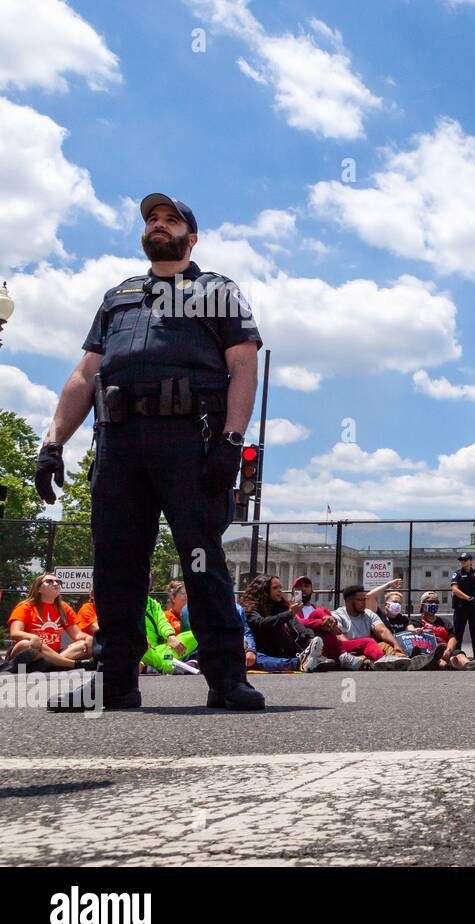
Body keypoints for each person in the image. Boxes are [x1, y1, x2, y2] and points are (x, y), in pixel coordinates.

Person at [39, 193, 264, 712]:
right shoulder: (119, 295)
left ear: (192, 236)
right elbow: (85, 374)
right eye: (152, 219)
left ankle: (227, 678)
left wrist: (231, 441)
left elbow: (243, 365)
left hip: (190, 439)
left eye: (171, 219)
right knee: (116, 565)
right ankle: (115, 681)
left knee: (201, 560)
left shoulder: (217, 291)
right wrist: (53, 443)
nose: (159, 225)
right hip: (118, 441)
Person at [4, 573, 93, 673]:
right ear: (38, 589)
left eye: (57, 582)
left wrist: (88, 638)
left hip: (55, 652)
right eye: (49, 581)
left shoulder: (64, 608)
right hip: (30, 650)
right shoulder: (25, 607)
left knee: (84, 645)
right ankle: (72, 664)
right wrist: (32, 637)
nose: (55, 584)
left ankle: (47, 664)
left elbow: (77, 635)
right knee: (26, 644)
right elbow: (15, 633)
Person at [333, 585, 413, 670]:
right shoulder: (337, 615)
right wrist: (357, 648)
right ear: (348, 601)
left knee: (384, 645)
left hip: (369, 648)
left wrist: (395, 644)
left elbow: (382, 631)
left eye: (365, 599)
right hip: (350, 650)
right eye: (360, 600)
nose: (364, 603)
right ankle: (380, 662)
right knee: (360, 652)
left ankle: (403, 660)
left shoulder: (368, 613)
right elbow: (339, 636)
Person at [449, 552, 475, 658]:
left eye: (465, 560)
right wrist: (468, 598)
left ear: (470, 561)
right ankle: (457, 657)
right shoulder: (457, 573)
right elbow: (454, 589)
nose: (463, 562)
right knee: (458, 632)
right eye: (461, 560)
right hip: (461, 606)